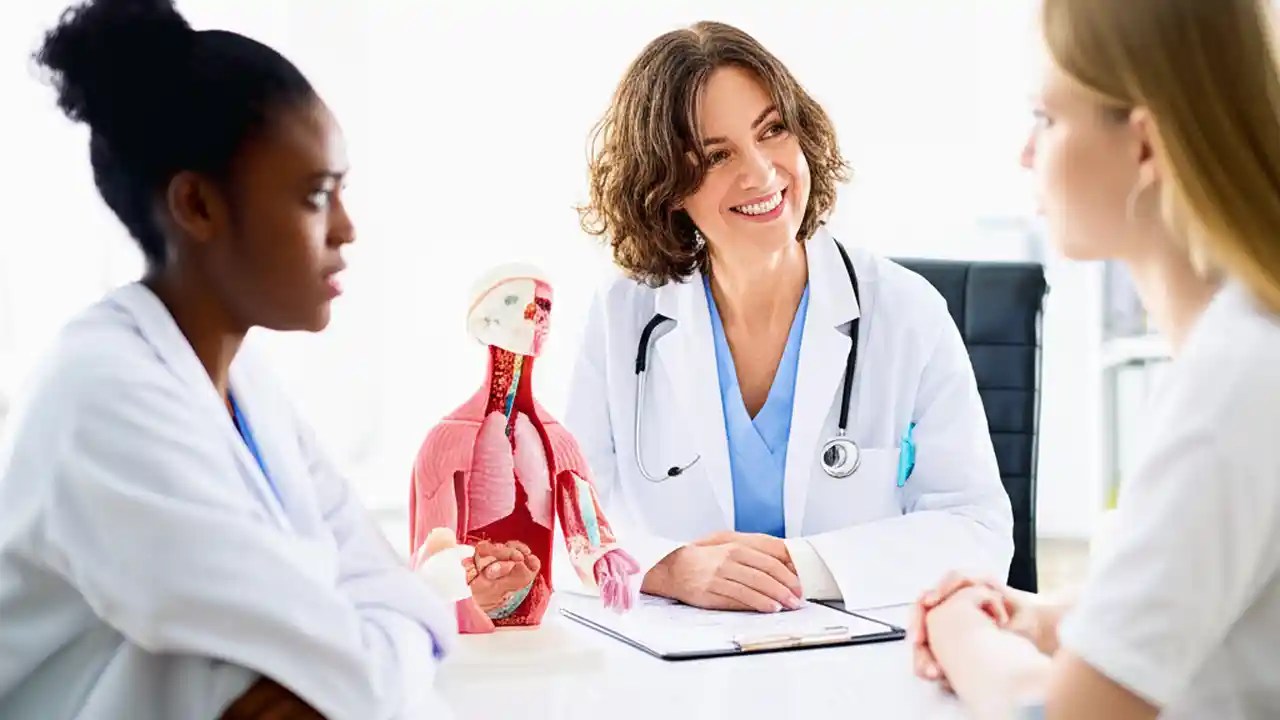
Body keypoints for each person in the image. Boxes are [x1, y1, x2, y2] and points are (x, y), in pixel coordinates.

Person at [0, 1, 454, 718]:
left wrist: (368, 654)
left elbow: (400, 613)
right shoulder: (100, 396)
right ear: (197, 206)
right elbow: (363, 666)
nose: (346, 227)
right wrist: (370, 654)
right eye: (315, 195)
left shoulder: (245, 388)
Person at [567, 20, 1014, 614]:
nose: (761, 173)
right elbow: (567, 525)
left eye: (772, 130)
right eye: (716, 155)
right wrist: (673, 570)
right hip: (679, 672)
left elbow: (977, 532)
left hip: (856, 670)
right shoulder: (621, 317)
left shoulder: (906, 312)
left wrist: (794, 567)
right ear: (666, 185)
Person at [910, 0, 1280, 717]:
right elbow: (1217, 583)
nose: (1026, 152)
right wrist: (1050, 619)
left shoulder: (1230, 384)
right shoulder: (1245, 346)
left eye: (1046, 119)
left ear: (1145, 147)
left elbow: (1060, 715)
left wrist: (959, 629)